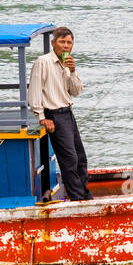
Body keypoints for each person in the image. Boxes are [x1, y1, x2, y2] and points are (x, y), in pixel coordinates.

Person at [28, 27, 90, 200]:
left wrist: (73, 71)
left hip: (68, 113)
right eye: (62, 42)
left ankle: (84, 195)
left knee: (80, 158)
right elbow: (34, 92)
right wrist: (42, 118)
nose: (65, 46)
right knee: (69, 160)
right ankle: (77, 198)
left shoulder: (68, 63)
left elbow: (76, 91)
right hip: (54, 115)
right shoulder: (43, 62)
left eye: (69, 42)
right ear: (53, 43)